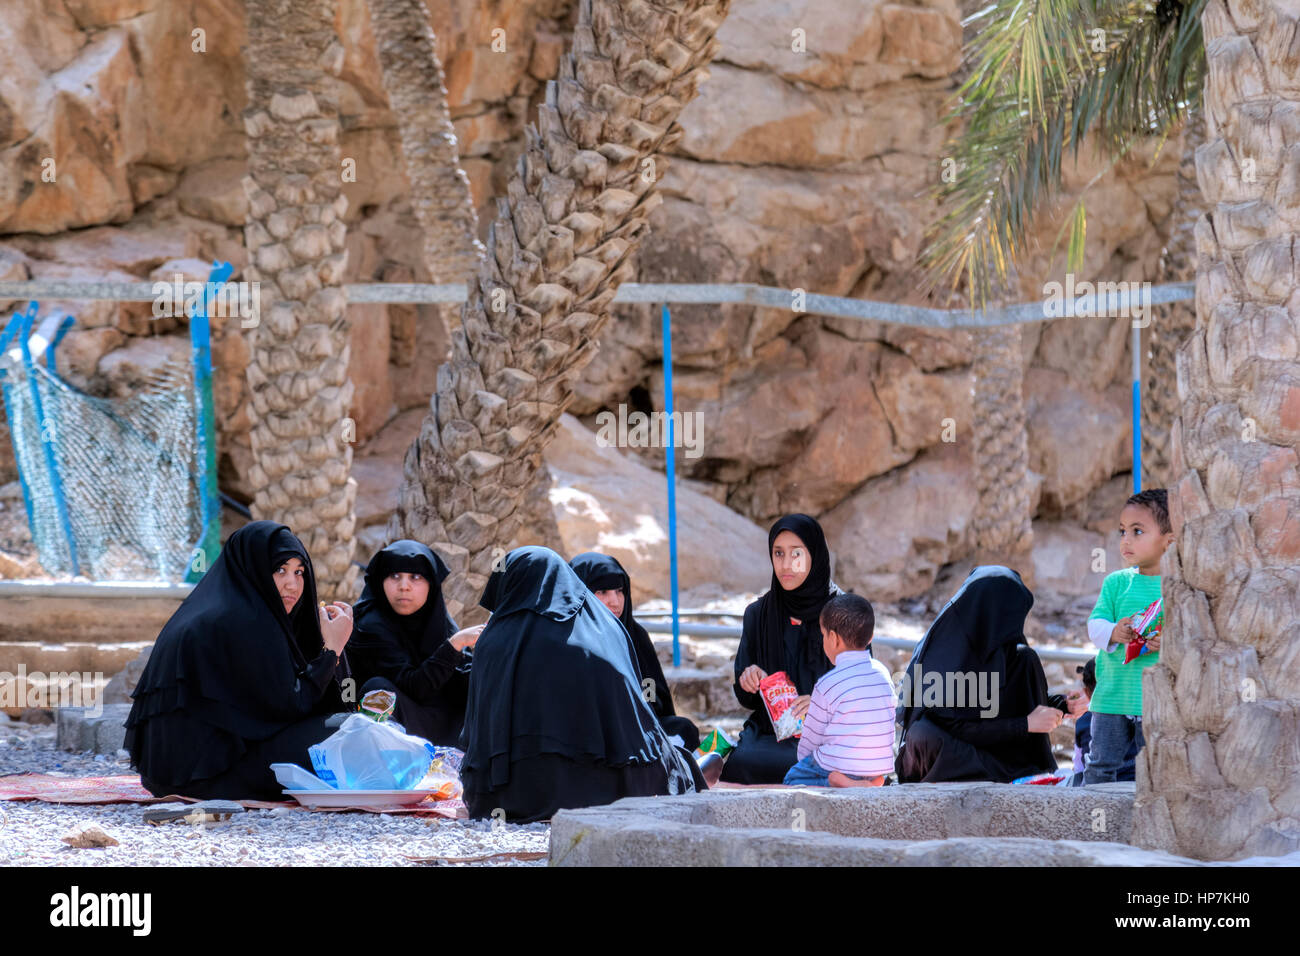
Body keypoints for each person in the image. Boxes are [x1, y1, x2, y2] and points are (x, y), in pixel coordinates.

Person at [459, 547, 702, 823]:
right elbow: (636, 725)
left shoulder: (491, 642)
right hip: (600, 793)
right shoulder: (600, 632)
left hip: (507, 797)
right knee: (675, 754)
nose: (612, 601)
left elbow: (478, 733)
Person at [124, 521, 355, 800]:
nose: (292, 584)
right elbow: (292, 706)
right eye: (279, 570)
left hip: (178, 777)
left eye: (299, 572)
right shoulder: (240, 623)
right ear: (253, 569)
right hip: (210, 778)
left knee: (350, 727)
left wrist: (328, 648)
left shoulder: (223, 610)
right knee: (348, 730)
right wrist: (332, 650)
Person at [895, 565, 1062, 783]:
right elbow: (955, 724)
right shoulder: (945, 651)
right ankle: (1005, 774)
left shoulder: (1004, 644)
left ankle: (1024, 771)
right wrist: (1026, 724)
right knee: (923, 736)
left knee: (1026, 658)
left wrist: (1061, 706)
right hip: (952, 750)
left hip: (998, 749)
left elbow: (1016, 696)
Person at [722, 514, 841, 784]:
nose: (786, 564)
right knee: (742, 762)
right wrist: (749, 679)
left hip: (829, 732)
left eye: (796, 553)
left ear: (815, 555)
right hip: (771, 732)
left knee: (815, 763)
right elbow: (747, 699)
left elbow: (861, 685)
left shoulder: (842, 614)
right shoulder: (758, 614)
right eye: (778, 553)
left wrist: (822, 704)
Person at [346, 540, 484, 746]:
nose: (404, 586)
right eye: (394, 576)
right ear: (380, 581)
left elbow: (459, 681)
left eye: (415, 577)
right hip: (389, 728)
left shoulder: (437, 621)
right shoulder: (370, 625)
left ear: (431, 584)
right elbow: (414, 687)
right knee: (380, 690)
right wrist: (455, 645)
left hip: (432, 720)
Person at [568, 551, 701, 752]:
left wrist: (637, 704)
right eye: (603, 592)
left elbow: (653, 693)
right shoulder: (569, 639)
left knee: (683, 729)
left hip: (637, 726)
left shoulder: (635, 636)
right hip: (593, 735)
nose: (615, 601)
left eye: (619, 591)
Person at [1083, 489, 1172, 784]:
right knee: (1100, 766)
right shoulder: (1116, 583)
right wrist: (1113, 632)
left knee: (1157, 771)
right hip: (1112, 697)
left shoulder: (1178, 587)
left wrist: (1167, 643)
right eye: (1122, 531)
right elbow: (1095, 625)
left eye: (1137, 531)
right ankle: (1091, 824)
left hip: (1157, 702)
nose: (1126, 540)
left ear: (1168, 541)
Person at [783, 593, 897, 787]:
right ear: (870, 637)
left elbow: (811, 741)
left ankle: (845, 783)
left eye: (824, 635)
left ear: (833, 638)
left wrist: (805, 760)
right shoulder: (883, 674)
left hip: (838, 768)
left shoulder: (827, 684)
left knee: (793, 778)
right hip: (878, 766)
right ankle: (871, 781)